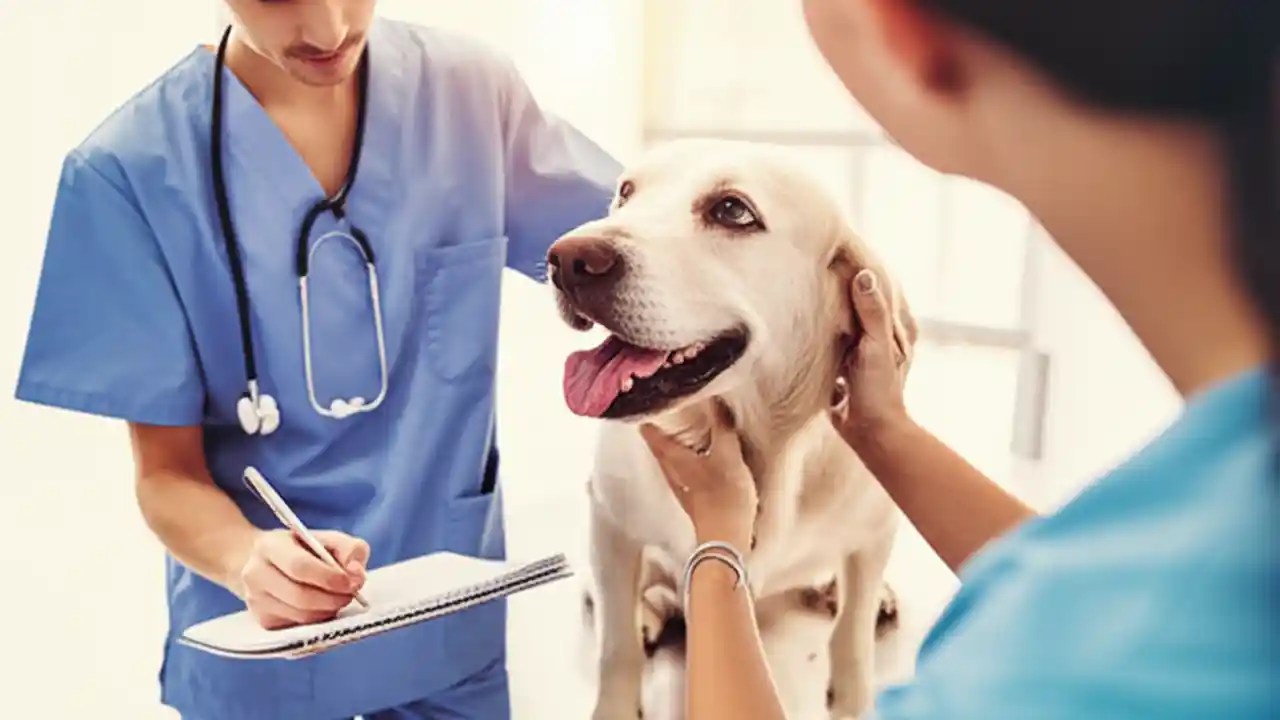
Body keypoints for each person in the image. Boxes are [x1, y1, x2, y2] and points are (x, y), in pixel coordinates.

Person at [639, 0, 1279, 718]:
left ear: (904, 32)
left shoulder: (1048, 687)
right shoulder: (1226, 517)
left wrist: (718, 542)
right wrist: (885, 432)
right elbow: (1115, 603)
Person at [14, 2, 619, 719]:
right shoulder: (131, 172)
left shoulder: (470, 97)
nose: (330, 31)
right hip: (264, 651)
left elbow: (648, 256)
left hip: (447, 640)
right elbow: (166, 478)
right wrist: (248, 560)